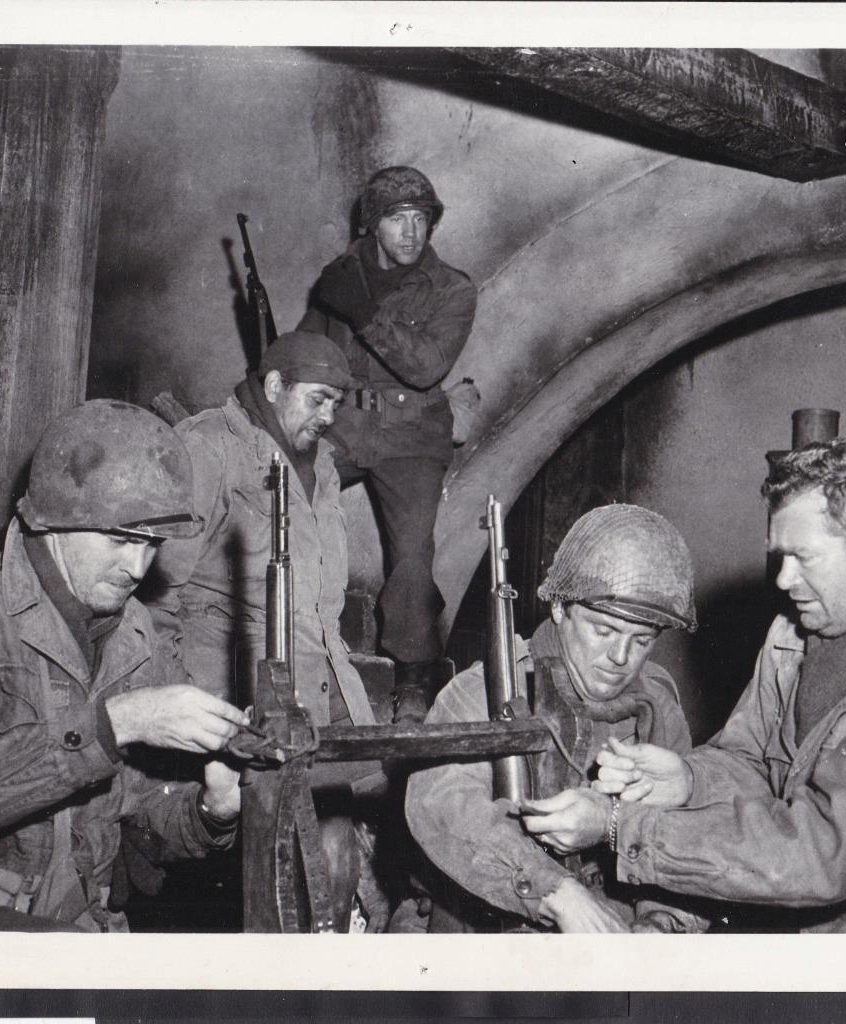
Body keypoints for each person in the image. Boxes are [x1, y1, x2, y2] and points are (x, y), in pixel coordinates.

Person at [524, 439, 846, 934]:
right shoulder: (794, 638)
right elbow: (750, 759)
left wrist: (620, 826)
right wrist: (687, 778)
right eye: (780, 556)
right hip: (830, 905)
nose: (782, 580)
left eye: (805, 557)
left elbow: (820, 853)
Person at [0, 400, 250, 932]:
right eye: (120, 539)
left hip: (68, 922)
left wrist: (213, 808)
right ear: (56, 521)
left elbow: (144, 812)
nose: (136, 567)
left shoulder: (134, 635)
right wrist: (115, 724)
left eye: (151, 544)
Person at [144, 330, 378, 931]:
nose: (328, 417)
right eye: (317, 399)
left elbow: (323, 614)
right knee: (264, 893)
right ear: (274, 387)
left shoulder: (322, 466)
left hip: (323, 698)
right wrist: (181, 712)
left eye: (336, 403)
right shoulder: (207, 449)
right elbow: (157, 599)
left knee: (340, 870)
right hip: (238, 700)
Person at [405, 505, 708, 933]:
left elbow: (685, 836)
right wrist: (554, 891)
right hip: (481, 915)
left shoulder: (657, 707)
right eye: (603, 631)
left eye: (641, 640)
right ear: (561, 609)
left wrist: (660, 926)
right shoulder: (487, 690)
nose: (620, 658)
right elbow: (441, 803)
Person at [298, 165, 477, 723]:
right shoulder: (340, 275)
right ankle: (297, 649)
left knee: (412, 556)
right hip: (346, 423)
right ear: (374, 225)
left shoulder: (453, 288)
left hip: (416, 431)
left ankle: (414, 679)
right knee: (288, 504)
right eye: (397, 219)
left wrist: (365, 314)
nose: (410, 232)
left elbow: (425, 367)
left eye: (420, 219)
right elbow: (310, 351)